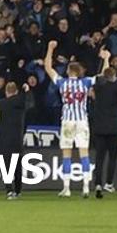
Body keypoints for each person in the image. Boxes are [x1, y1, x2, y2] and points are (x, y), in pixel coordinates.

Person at [44, 41, 96, 198]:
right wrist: (105, 58)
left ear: (68, 71)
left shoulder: (63, 83)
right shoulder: (85, 82)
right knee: (84, 153)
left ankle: (66, 188)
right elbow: (102, 76)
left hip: (67, 121)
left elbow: (48, 67)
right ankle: (86, 187)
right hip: (81, 121)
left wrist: (50, 49)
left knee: (66, 154)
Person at [91, 50, 117, 197]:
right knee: (112, 157)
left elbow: (100, 77)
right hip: (113, 128)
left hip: (99, 127)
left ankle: (98, 183)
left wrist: (105, 59)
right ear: (114, 77)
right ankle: (108, 183)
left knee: (99, 157)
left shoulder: (98, 88)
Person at [0, 79, 33, 200]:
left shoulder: (3, 103)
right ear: (16, 91)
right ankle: (18, 190)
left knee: (6, 166)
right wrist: (28, 91)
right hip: (17, 139)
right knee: (17, 166)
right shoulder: (21, 101)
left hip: (5, 140)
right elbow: (30, 103)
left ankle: (9, 190)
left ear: (6, 92)